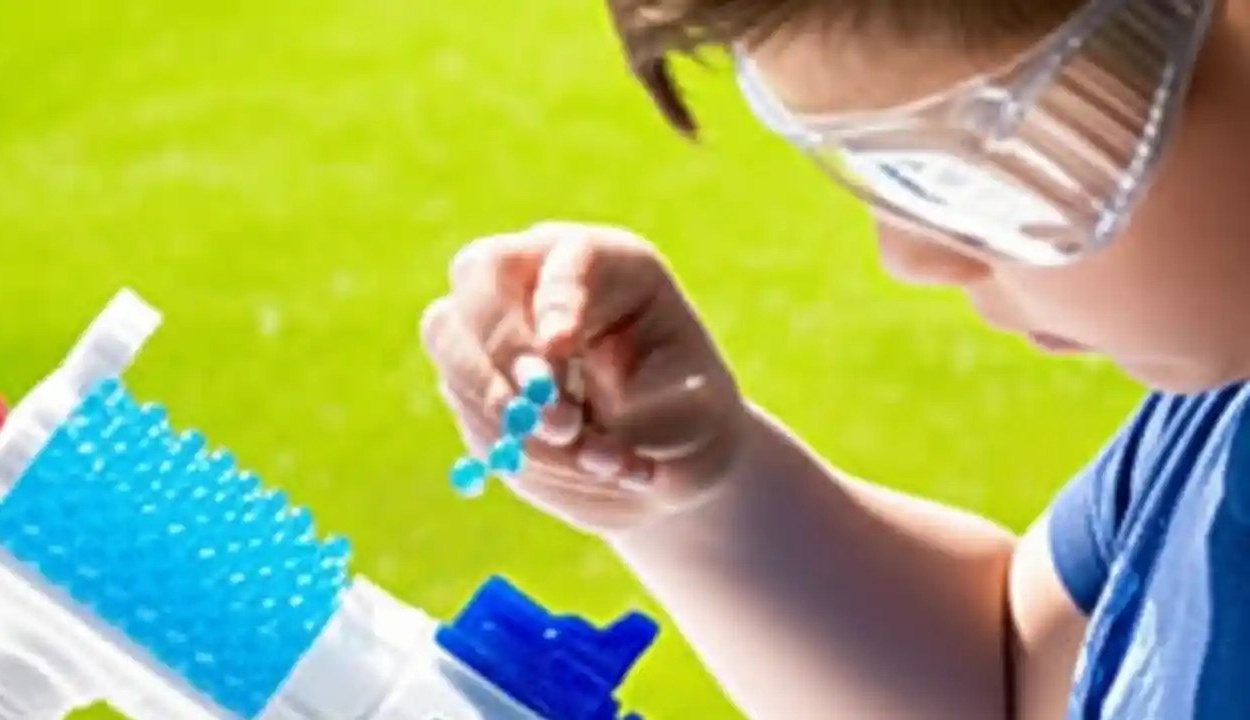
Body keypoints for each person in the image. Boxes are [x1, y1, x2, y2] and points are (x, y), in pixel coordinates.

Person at [420, 0, 1250, 717]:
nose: (911, 255)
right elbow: (1018, 676)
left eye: (978, 170)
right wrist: (697, 493)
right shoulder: (1215, 436)